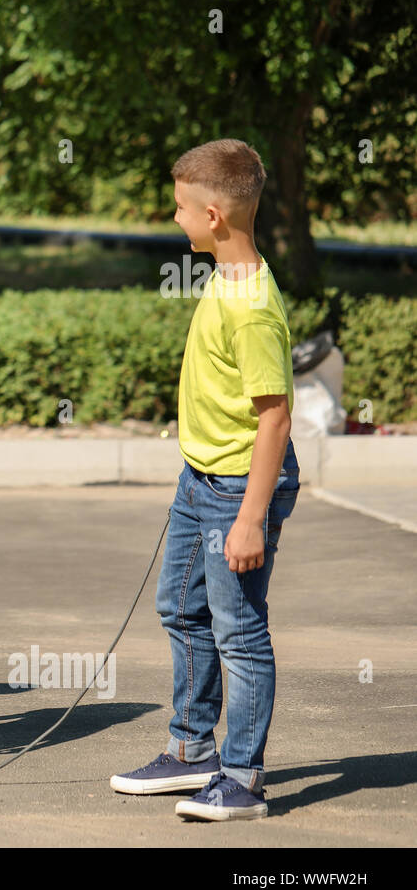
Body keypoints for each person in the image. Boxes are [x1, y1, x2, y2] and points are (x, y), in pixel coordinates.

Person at [111, 139, 299, 820]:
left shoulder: (249, 305)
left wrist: (250, 516)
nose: (175, 218)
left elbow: (274, 419)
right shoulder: (226, 273)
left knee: (240, 632)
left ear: (214, 215)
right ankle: (192, 751)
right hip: (201, 480)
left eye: (181, 208)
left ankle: (243, 780)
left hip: (236, 489)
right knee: (180, 608)